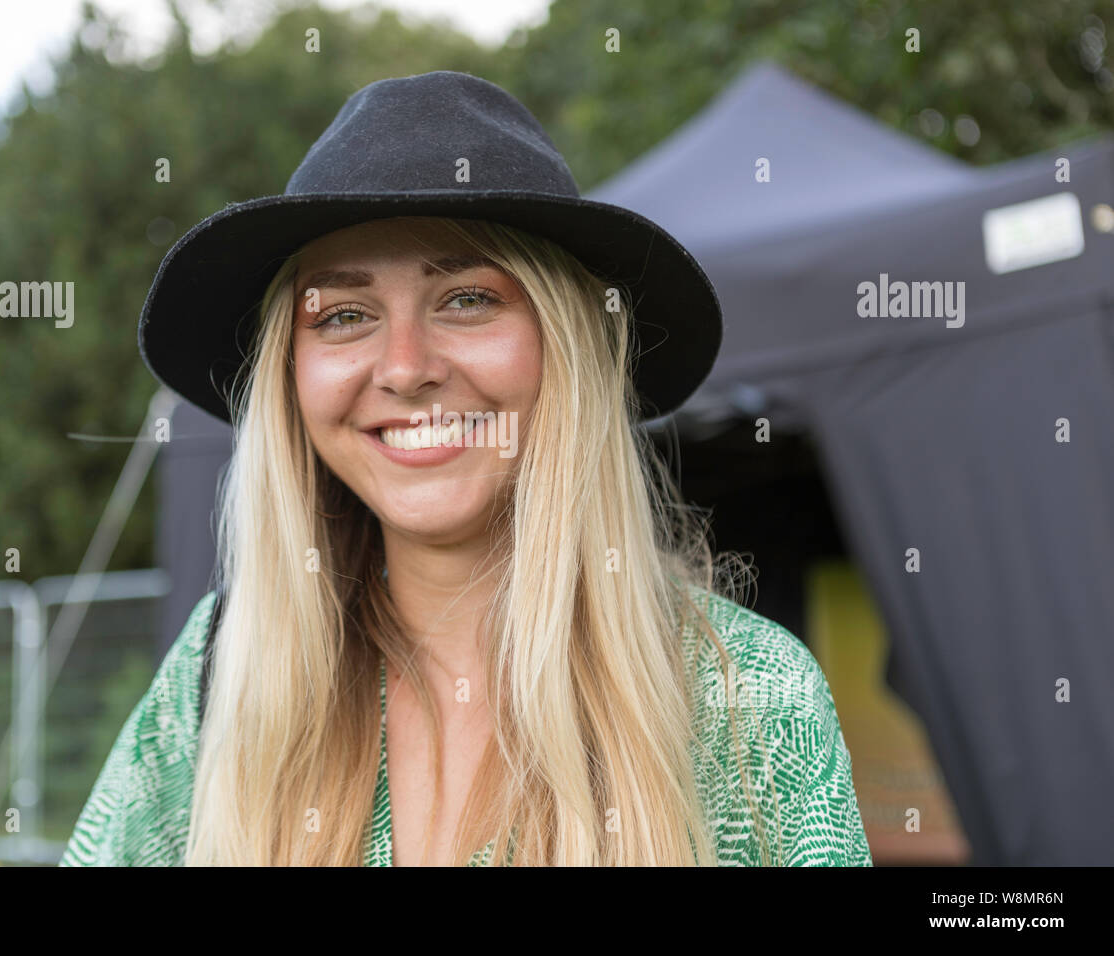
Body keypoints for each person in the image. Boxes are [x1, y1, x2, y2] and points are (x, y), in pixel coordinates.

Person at [61, 70, 871, 867]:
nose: (406, 368)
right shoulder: (219, 674)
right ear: (288, 375)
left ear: (567, 346)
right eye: (344, 316)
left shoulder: (751, 703)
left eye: (468, 300)